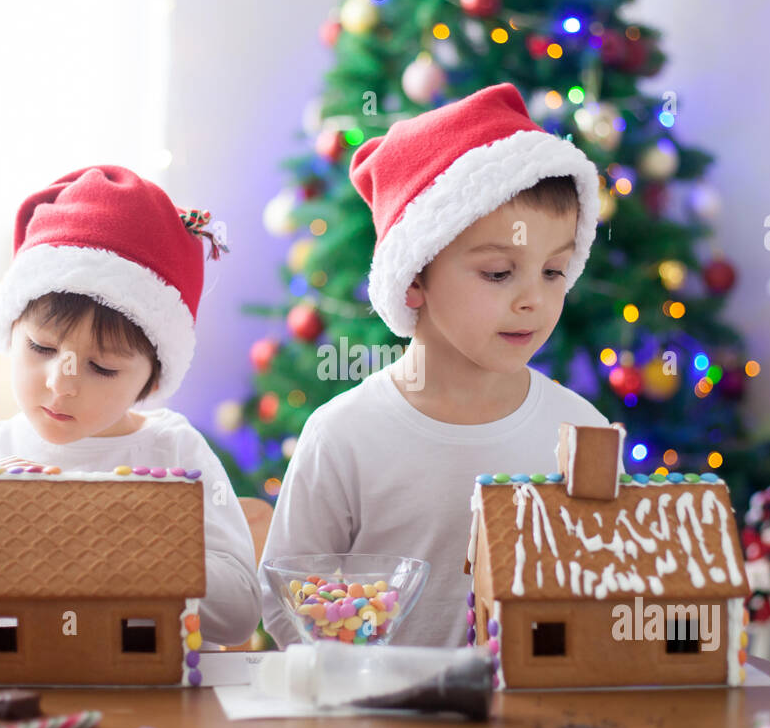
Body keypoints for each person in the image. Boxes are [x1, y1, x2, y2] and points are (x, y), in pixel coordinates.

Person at [0, 165, 260, 663]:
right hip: (9, 712)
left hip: (154, 714)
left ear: (150, 379)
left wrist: (136, 543)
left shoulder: (175, 452)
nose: (61, 384)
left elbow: (239, 614)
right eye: (41, 347)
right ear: (10, 332)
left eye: (102, 368)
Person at [259, 84, 611, 647]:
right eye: (499, 273)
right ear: (415, 275)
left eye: (553, 271)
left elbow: (606, 590)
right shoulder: (344, 434)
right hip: (375, 722)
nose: (535, 301)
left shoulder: (583, 432)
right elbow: (285, 604)